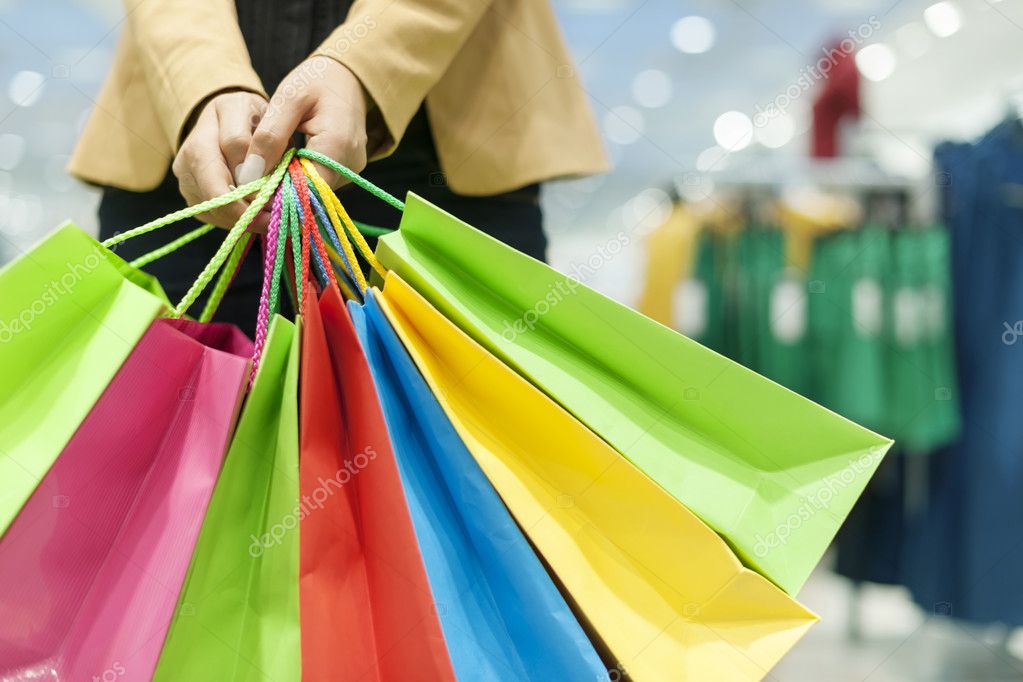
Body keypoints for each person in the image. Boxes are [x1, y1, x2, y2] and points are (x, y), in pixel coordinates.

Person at [69, 0, 607, 333]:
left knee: (471, 483)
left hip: (446, 153)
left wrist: (362, 63)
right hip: (190, 156)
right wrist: (204, 82)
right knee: (160, 481)